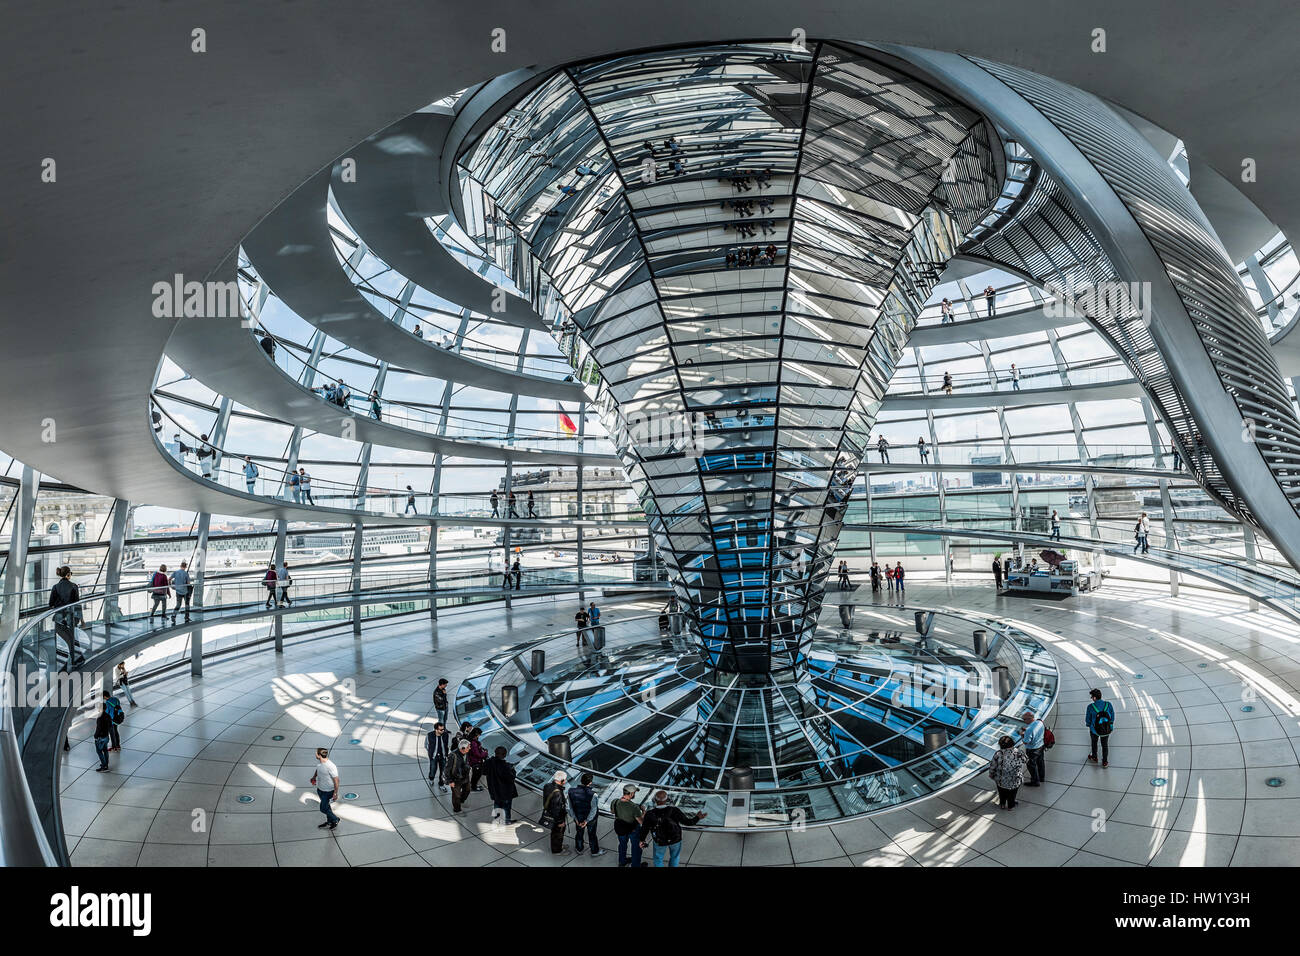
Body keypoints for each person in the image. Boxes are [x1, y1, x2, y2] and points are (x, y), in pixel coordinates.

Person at [638, 790, 705, 867]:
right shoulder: (674, 810)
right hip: (675, 839)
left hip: (659, 840)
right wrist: (697, 817)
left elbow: (645, 829)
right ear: (666, 799)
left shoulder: (650, 814)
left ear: (655, 800)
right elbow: (688, 822)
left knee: (658, 859)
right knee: (675, 857)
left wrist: (642, 839)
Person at [49, 565, 85, 667]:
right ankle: (75, 661)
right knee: (73, 639)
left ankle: (62, 664)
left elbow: (51, 604)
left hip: (59, 619)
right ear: (68, 575)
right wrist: (81, 619)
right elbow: (77, 605)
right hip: (71, 618)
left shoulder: (55, 587)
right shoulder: (74, 586)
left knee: (62, 641)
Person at [569, 772, 606, 856]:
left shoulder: (571, 791)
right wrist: (587, 821)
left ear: (581, 780)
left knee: (579, 833)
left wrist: (575, 818)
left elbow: (569, 807)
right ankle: (594, 851)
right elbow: (593, 809)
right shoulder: (593, 795)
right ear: (590, 782)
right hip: (591, 819)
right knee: (592, 834)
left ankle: (579, 848)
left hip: (578, 817)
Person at [611, 785, 646, 867]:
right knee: (636, 847)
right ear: (631, 794)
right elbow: (641, 821)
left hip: (620, 828)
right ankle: (635, 865)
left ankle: (622, 861)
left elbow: (613, 812)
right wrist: (644, 811)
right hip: (632, 829)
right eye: (634, 793)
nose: (634, 794)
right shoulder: (634, 807)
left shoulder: (615, 801)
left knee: (622, 844)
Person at [988, 735, 1027, 809]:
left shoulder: (998, 753)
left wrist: (991, 774)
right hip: (1015, 779)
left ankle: (1002, 804)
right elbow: (1025, 760)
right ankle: (1010, 806)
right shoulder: (1018, 752)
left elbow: (993, 765)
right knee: (1012, 794)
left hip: (1001, 779)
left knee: (1002, 792)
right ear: (1012, 743)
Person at [484, 746, 518, 824]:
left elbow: (484, 772)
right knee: (506, 806)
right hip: (505, 791)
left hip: (494, 789)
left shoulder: (489, 762)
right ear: (504, 755)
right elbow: (511, 777)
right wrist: (512, 769)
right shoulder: (505, 766)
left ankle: (497, 817)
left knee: (497, 803)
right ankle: (506, 820)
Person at [311, 747, 341, 830]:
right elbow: (318, 770)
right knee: (327, 807)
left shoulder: (331, 766)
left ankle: (335, 819)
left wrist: (335, 793)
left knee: (323, 808)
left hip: (328, 791)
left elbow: (336, 780)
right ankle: (329, 821)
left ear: (319, 755)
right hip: (320, 789)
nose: (315, 754)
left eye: (316, 753)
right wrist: (314, 777)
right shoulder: (320, 764)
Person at [1085, 688, 1115, 768]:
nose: (1092, 698)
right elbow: (1112, 716)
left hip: (1094, 730)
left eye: (1092, 697)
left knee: (1094, 743)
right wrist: (1110, 724)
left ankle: (1094, 757)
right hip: (1106, 729)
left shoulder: (1090, 707)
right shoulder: (1108, 704)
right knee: (1105, 745)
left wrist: (1089, 725)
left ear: (1094, 697)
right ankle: (1105, 762)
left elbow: (1088, 719)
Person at [541, 770, 569, 853]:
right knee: (558, 833)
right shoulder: (558, 793)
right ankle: (557, 850)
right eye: (565, 779)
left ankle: (558, 846)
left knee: (554, 832)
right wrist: (560, 821)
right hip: (557, 817)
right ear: (562, 781)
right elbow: (557, 809)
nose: (566, 781)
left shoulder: (547, 785)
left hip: (549, 812)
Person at [1021, 710, 1046, 786]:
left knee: (1031, 765)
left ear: (1029, 718)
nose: (1024, 721)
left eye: (1024, 719)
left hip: (1032, 749)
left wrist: (1022, 735)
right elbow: (1036, 731)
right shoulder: (1040, 722)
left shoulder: (1029, 729)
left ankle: (1035, 781)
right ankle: (1041, 777)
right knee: (1040, 762)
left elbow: (1026, 742)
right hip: (1041, 746)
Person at [447, 739, 472, 813]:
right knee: (456, 796)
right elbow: (447, 769)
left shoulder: (466, 753)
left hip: (465, 777)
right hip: (455, 779)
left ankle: (461, 800)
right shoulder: (452, 755)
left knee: (467, 790)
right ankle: (457, 809)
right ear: (463, 748)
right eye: (468, 747)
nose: (470, 748)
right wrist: (450, 781)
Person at [425, 721, 451, 790]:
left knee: (443, 772)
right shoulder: (429, 735)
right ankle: (431, 779)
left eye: (443, 729)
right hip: (434, 756)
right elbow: (426, 745)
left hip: (443, 756)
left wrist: (446, 754)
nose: (443, 731)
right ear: (436, 729)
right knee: (433, 770)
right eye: (441, 730)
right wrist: (431, 753)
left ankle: (441, 784)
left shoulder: (445, 735)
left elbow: (447, 745)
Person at [169, 560, 192, 624]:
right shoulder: (186, 573)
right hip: (185, 591)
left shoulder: (176, 572)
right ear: (185, 567)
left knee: (178, 604)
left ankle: (173, 615)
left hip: (178, 591)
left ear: (180, 566)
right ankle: (186, 617)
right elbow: (188, 583)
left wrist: (171, 586)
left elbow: (169, 579)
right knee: (187, 604)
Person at [93, 700, 113, 772]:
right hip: (106, 736)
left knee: (99, 751)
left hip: (100, 738)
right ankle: (106, 764)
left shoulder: (99, 718)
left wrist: (95, 736)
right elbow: (110, 726)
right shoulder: (108, 716)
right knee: (105, 750)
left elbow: (98, 728)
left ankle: (104, 767)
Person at [467, 727, 488, 792]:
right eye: (479, 734)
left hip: (473, 761)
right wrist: (485, 753)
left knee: (475, 775)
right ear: (476, 734)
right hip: (475, 762)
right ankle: (473, 787)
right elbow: (478, 754)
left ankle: (473, 785)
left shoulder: (472, 740)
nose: (479, 736)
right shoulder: (473, 743)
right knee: (476, 775)